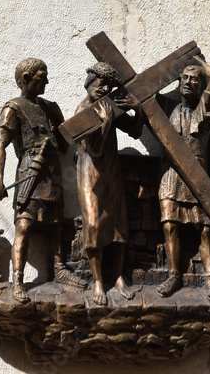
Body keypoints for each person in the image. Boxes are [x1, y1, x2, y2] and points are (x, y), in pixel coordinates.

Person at [0, 57, 86, 301]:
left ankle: (59, 268)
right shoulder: (14, 108)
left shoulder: (48, 108)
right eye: (41, 78)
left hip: (52, 173)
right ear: (26, 80)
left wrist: (62, 120)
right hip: (30, 174)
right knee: (24, 225)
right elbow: (0, 144)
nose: (46, 82)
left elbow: (65, 144)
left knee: (55, 225)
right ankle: (18, 280)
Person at [76, 61, 144, 305]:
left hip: (111, 171)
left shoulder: (109, 106)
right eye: (99, 81)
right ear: (89, 81)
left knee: (118, 223)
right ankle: (97, 281)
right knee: (94, 224)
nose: (103, 87)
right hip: (90, 174)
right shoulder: (82, 111)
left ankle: (117, 277)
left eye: (108, 84)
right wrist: (105, 125)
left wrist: (138, 110)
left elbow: (135, 132)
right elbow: (93, 150)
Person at [156, 55, 210, 300]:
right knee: (170, 226)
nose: (189, 82)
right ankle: (174, 275)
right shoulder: (165, 107)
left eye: (195, 79)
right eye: (184, 77)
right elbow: (144, 95)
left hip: (197, 175)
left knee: (204, 230)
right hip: (170, 175)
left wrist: (196, 59)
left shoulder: (204, 107)